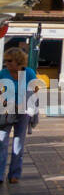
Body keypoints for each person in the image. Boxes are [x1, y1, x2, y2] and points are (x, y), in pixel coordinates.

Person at [0, 47, 39, 184]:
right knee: (2, 142)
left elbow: (35, 90)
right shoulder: (3, 73)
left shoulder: (27, 73)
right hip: (6, 112)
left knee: (18, 143)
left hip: (22, 113)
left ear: (18, 61)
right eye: (6, 61)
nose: (7, 64)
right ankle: (0, 174)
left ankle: (14, 174)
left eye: (10, 61)